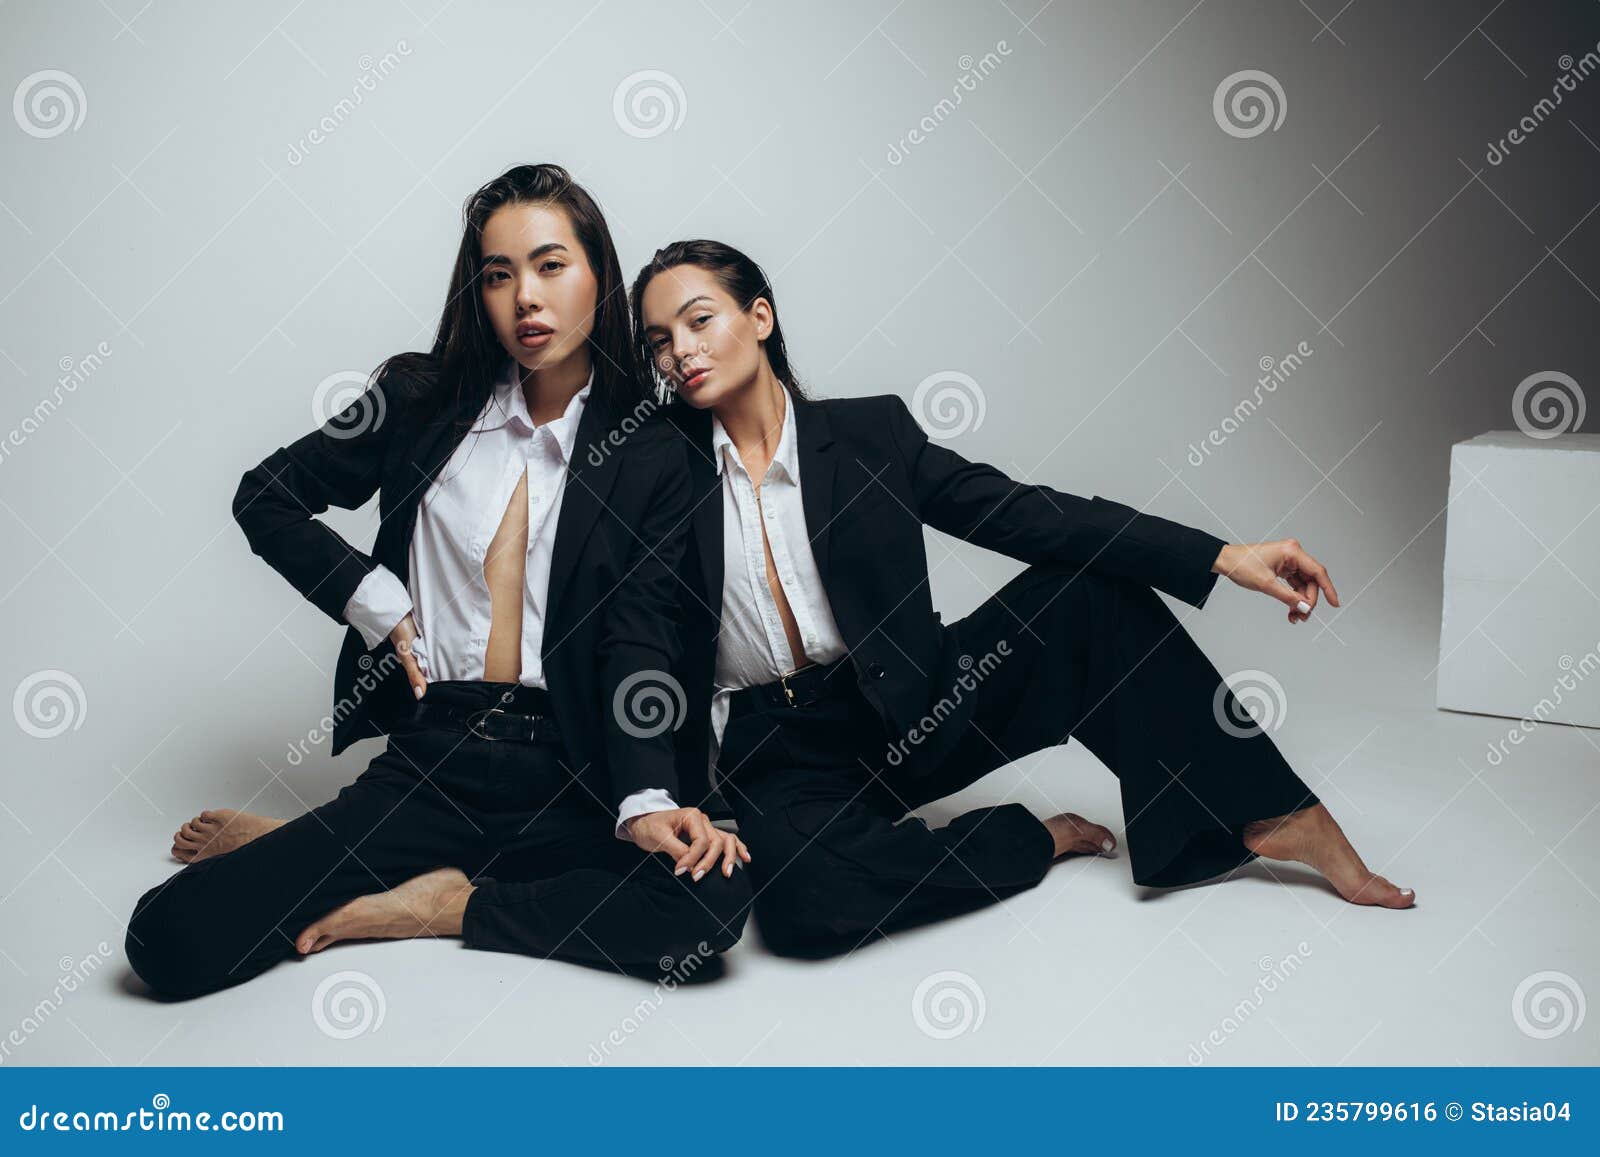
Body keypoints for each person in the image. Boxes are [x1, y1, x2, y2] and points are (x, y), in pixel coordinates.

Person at [629, 238, 1414, 959]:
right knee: (805, 907)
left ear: (759, 315)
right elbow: (639, 636)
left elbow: (1027, 514)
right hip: (782, 755)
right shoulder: (658, 471)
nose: (681, 351)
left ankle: (1278, 815)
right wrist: (655, 789)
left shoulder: (870, 436)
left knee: (1088, 598)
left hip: (916, 707)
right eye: (661, 340)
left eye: (699, 320)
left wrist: (1222, 554)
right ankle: (1033, 840)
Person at [125, 167, 748, 999]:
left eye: (551, 265)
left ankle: (446, 904)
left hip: (575, 770)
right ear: (478, 290)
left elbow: (641, 631)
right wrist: (376, 602)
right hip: (433, 758)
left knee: (708, 906)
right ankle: (323, 843)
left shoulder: (658, 450)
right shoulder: (412, 397)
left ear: (600, 273)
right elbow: (265, 496)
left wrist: (643, 796)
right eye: (499, 274)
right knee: (163, 942)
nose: (526, 296)